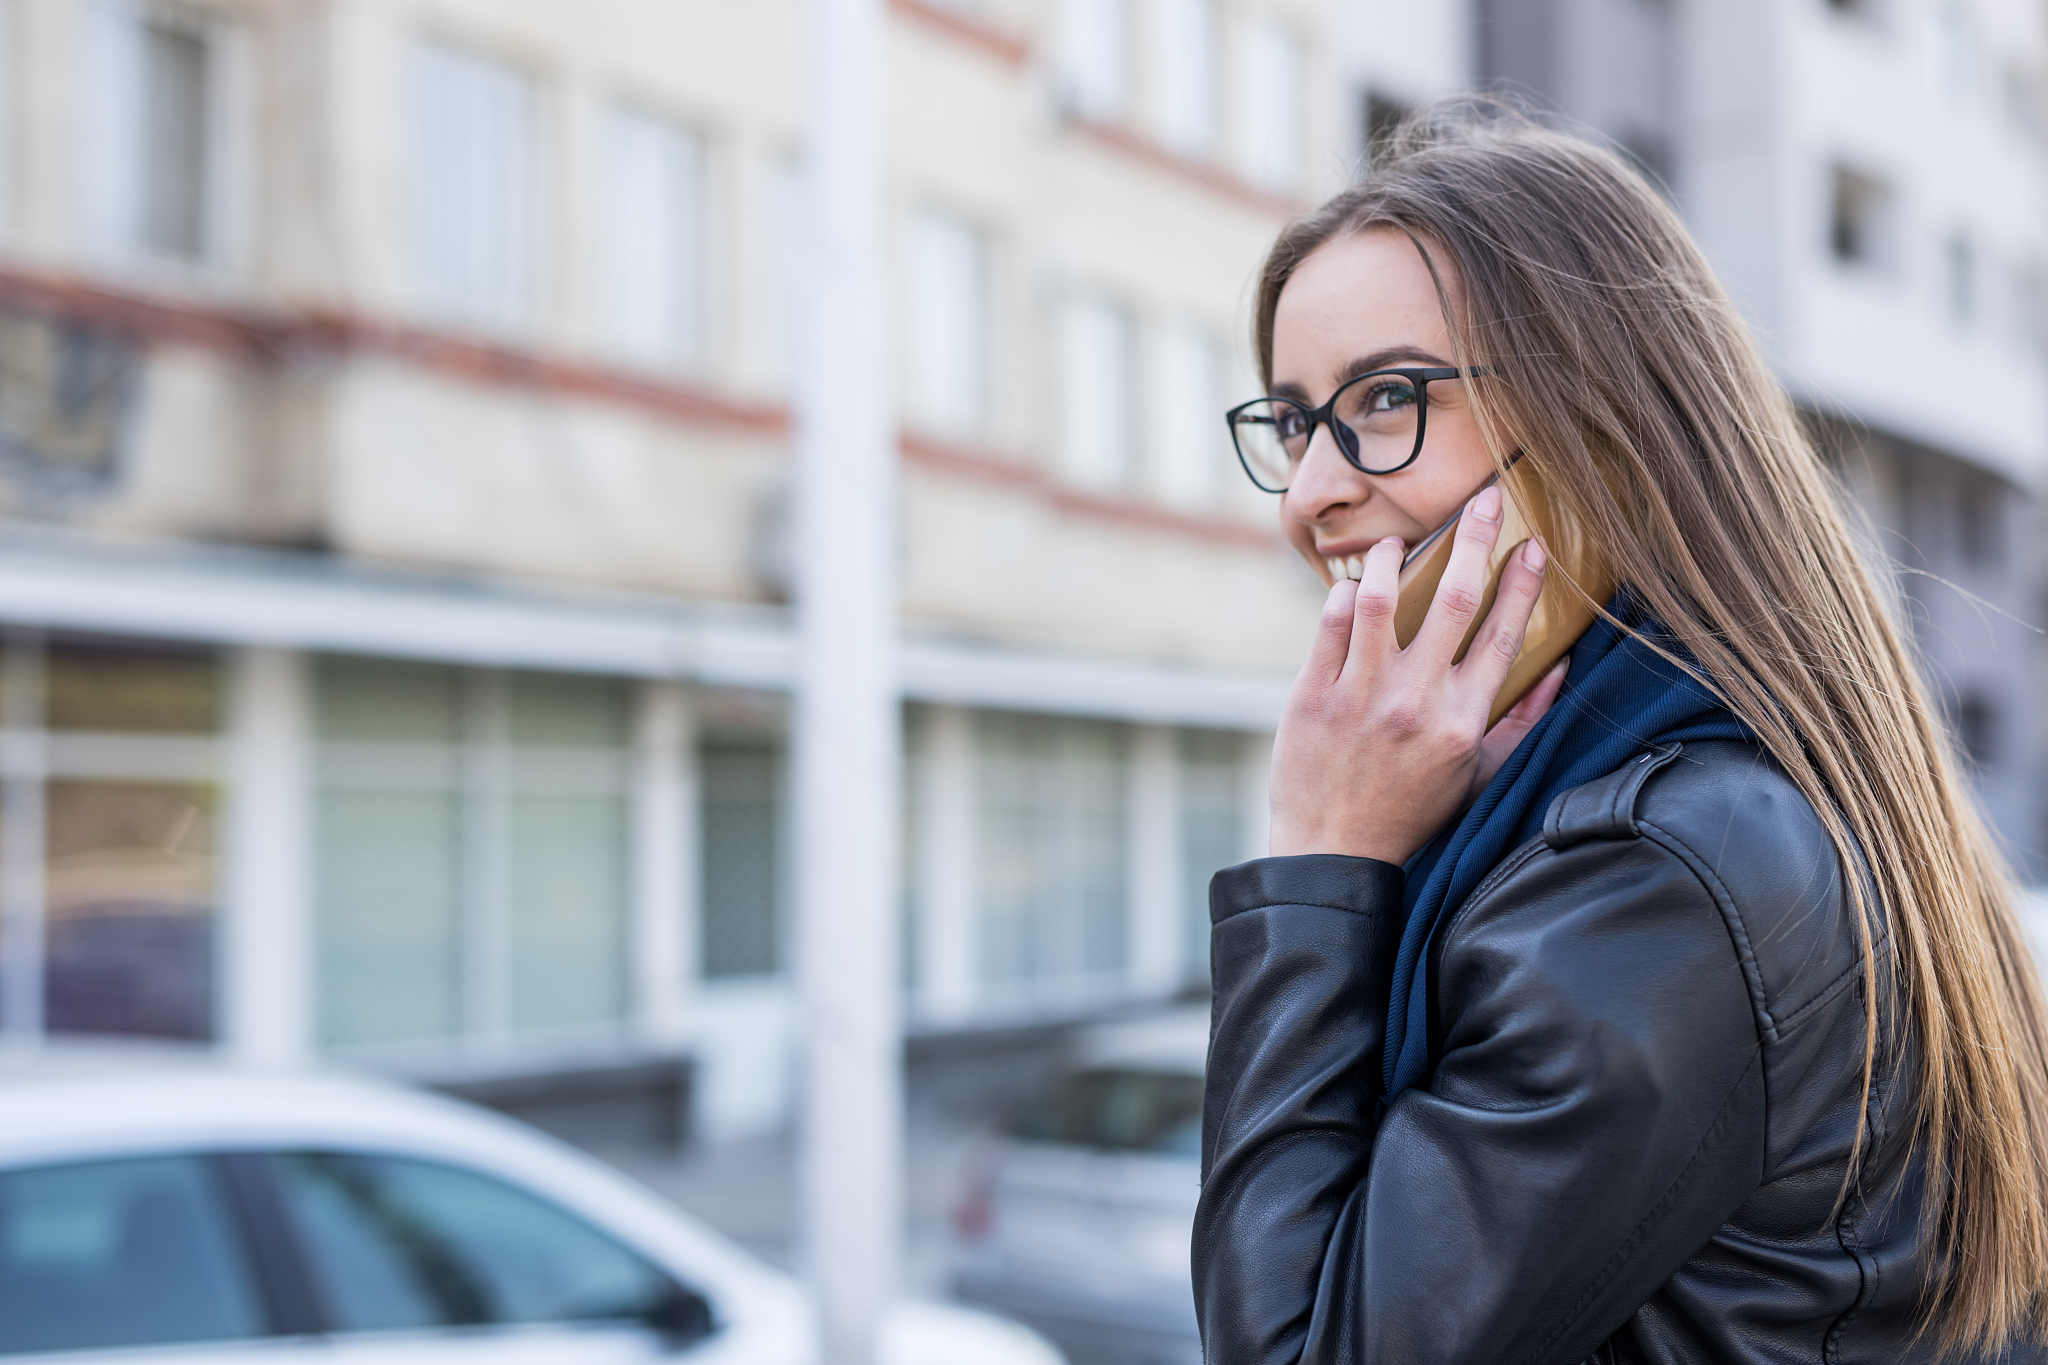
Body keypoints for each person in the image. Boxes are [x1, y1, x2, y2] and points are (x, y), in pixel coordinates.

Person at [1195, 101, 2048, 1364]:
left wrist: (1323, 857)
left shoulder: (1662, 869)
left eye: (1384, 399)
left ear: (1598, 431)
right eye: (1289, 424)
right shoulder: (1657, 803)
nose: (1312, 492)